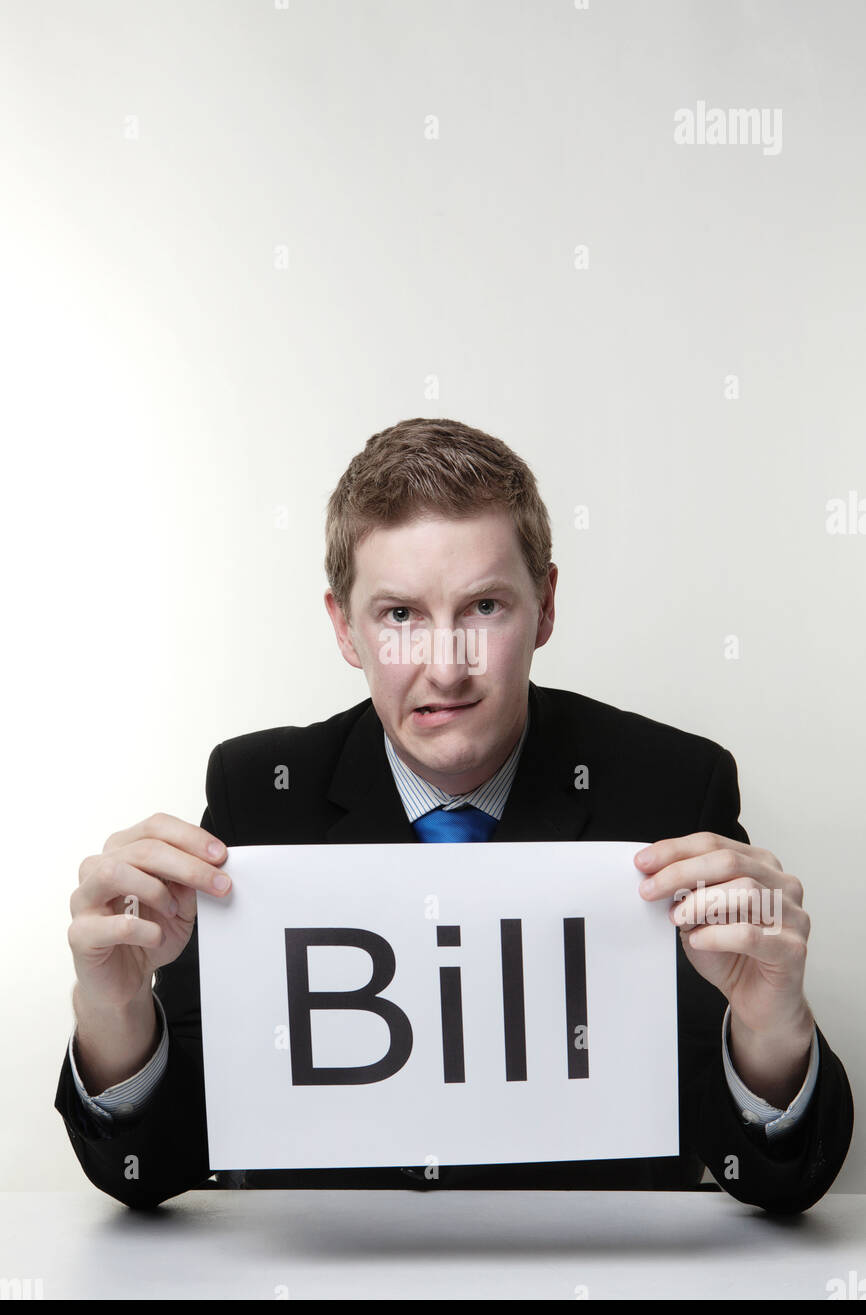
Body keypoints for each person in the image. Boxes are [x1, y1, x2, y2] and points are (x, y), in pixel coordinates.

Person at [55, 417, 853, 1212]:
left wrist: (769, 1031)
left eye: (483, 607)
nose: (445, 667)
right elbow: (153, 1172)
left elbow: (776, 1185)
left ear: (543, 608)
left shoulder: (673, 791)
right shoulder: (260, 795)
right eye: (399, 615)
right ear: (345, 628)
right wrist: (117, 1013)